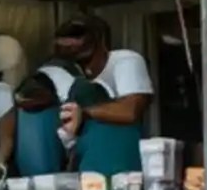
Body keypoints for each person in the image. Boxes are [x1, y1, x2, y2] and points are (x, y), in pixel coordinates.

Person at [55, 15, 153, 176]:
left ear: (101, 45)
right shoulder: (75, 83)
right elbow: (71, 143)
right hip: (88, 175)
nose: (84, 68)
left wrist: (86, 113)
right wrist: (69, 134)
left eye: (86, 59)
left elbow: (131, 111)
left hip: (124, 174)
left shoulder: (125, 62)